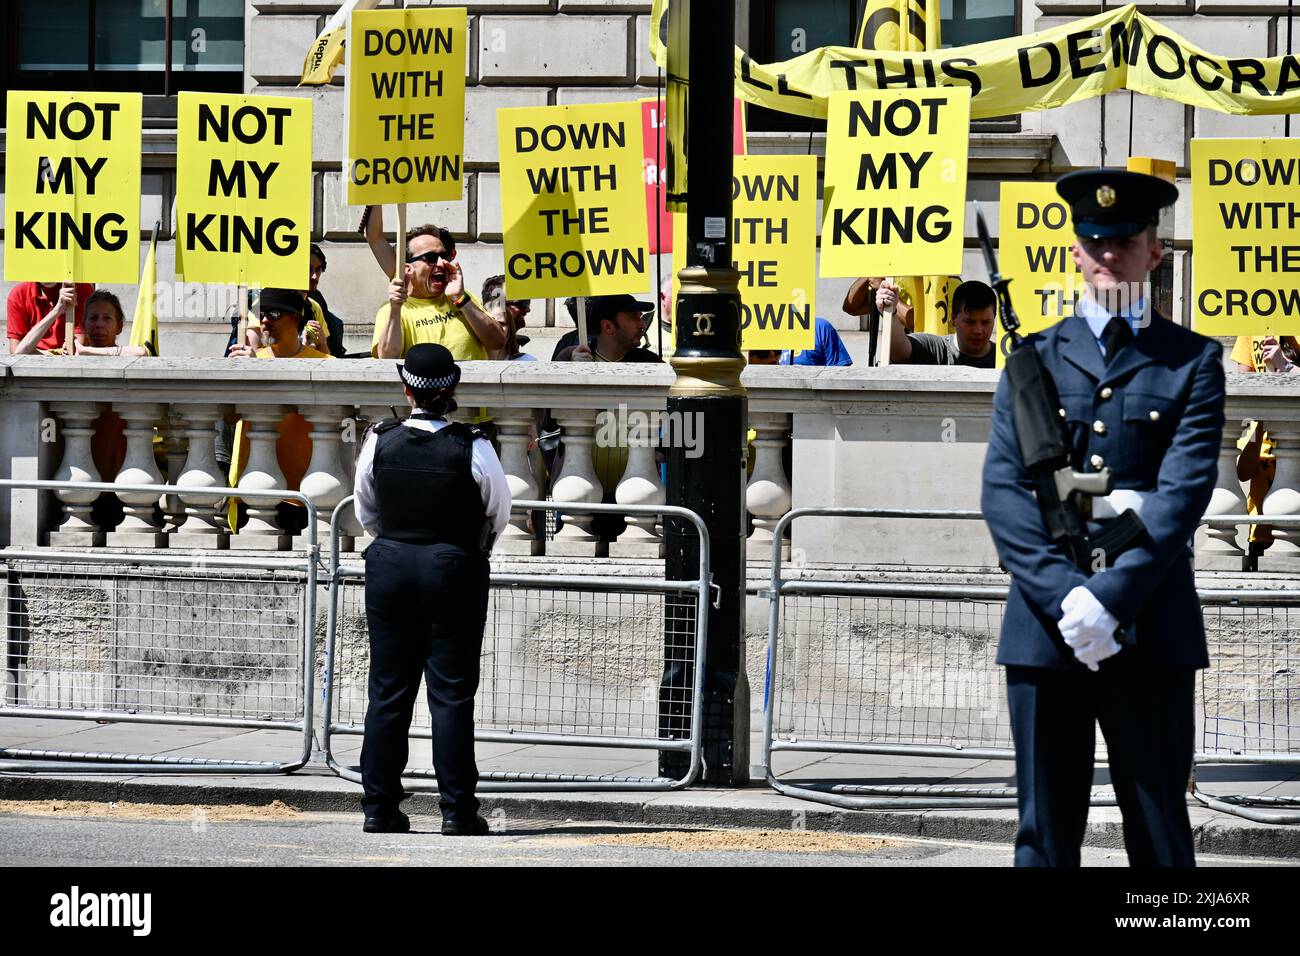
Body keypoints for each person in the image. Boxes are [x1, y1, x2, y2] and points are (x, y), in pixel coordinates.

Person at [981, 168, 1226, 868]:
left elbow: (1181, 498)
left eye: (1126, 241)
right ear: (1076, 252)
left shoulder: (1192, 362)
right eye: (1095, 242)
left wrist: (1109, 598)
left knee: (1158, 835)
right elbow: (1004, 496)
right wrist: (1070, 601)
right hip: (1046, 632)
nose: (1108, 255)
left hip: (1151, 627)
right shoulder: (1035, 359)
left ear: (1156, 251)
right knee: (1044, 837)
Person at [352, 343, 511, 836]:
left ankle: (379, 807)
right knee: (451, 694)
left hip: (392, 563)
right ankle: (457, 811)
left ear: (406, 389)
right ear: (453, 389)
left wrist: (399, 539)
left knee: (388, 691)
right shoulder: (474, 444)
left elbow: (365, 510)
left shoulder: (380, 438)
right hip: (453, 568)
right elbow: (498, 511)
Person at [373, 224, 505, 360]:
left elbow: (497, 342)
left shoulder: (462, 298)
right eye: (431, 258)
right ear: (408, 268)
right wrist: (395, 309)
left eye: (444, 256)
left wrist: (461, 298)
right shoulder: (393, 309)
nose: (441, 263)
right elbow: (387, 359)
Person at [876, 279, 997, 368]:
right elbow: (899, 352)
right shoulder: (934, 348)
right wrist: (889, 312)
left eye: (986, 322)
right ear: (953, 319)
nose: (978, 330)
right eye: (970, 322)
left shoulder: (1005, 359)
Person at [554, 294, 661, 364]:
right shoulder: (569, 358)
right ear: (608, 326)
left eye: (640, 316)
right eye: (634, 317)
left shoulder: (651, 362)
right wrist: (572, 372)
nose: (642, 324)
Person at [7, 280, 93, 354]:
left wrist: (34, 351)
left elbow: (77, 348)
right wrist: (57, 310)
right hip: (31, 365)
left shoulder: (81, 289)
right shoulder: (19, 293)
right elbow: (16, 351)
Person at [745, 317, 852, 367]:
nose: (773, 354)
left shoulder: (819, 327)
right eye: (762, 353)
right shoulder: (752, 328)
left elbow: (839, 376)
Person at [74, 290, 151, 357]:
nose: (99, 325)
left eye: (107, 318)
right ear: (83, 325)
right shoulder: (75, 355)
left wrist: (85, 351)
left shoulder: (126, 355)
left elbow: (141, 353)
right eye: (93, 318)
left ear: (119, 327)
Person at [306, 243, 348, 358]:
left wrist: (322, 342)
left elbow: (326, 354)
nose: (314, 276)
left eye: (318, 269)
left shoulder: (315, 303)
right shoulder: (267, 302)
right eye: (308, 269)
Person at [481, 274, 535, 362]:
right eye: (520, 303)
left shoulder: (527, 362)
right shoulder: (470, 358)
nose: (527, 309)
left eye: (527, 302)